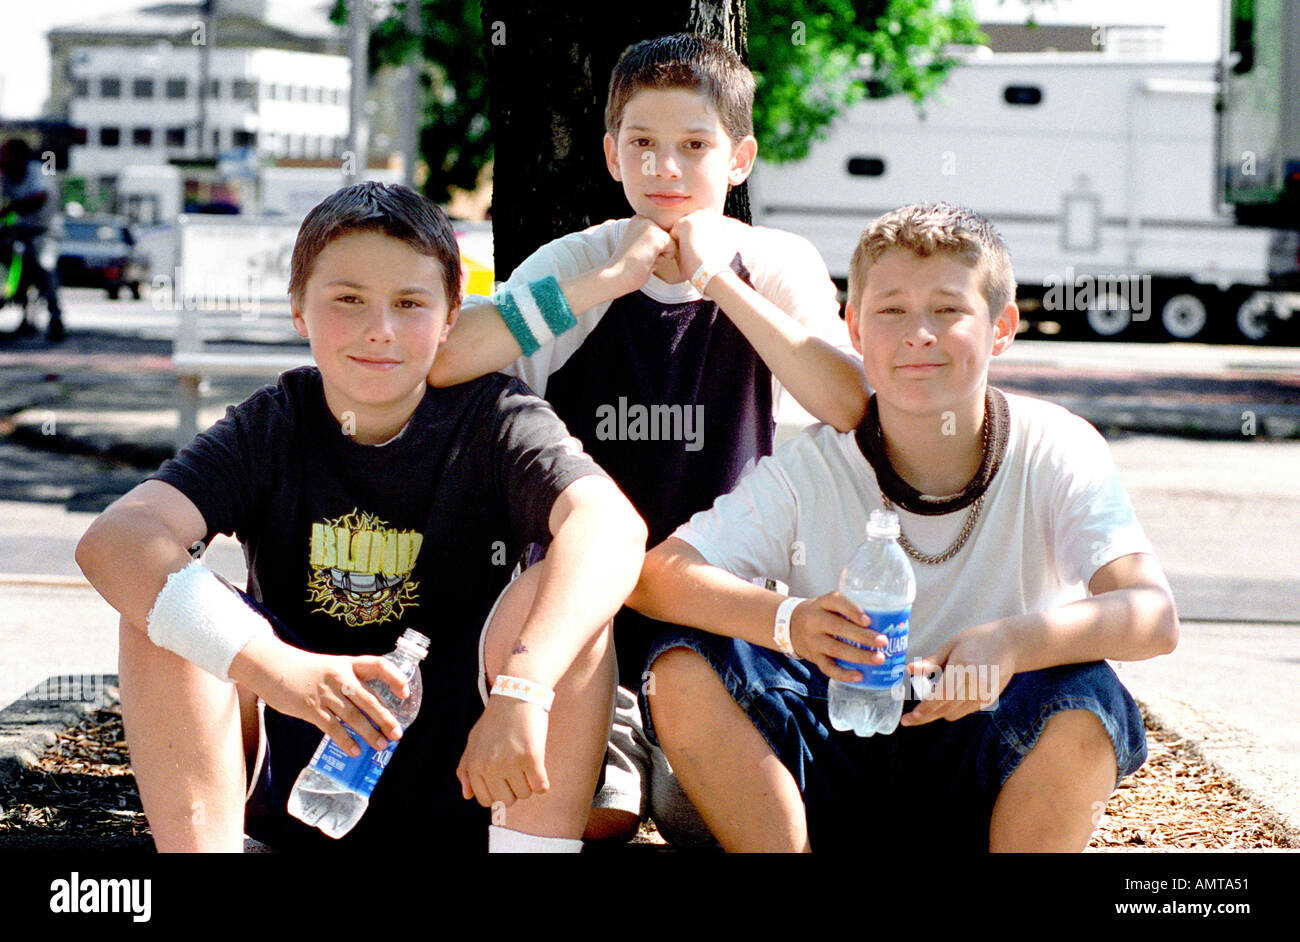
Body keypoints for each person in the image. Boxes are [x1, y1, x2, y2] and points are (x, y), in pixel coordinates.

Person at [75, 182, 647, 853]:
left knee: (572, 597)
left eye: (409, 303)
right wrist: (283, 673)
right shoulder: (274, 423)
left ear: (451, 316)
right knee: (160, 606)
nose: (381, 329)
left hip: (475, 775)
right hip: (302, 779)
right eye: (348, 300)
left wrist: (525, 687)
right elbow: (116, 540)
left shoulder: (496, 418)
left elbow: (611, 528)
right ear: (299, 310)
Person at [626, 202, 1180, 852]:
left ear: (1001, 327)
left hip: (991, 760)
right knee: (687, 659)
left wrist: (1010, 644)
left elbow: (1153, 615)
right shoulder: (816, 463)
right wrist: (792, 622)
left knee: (1086, 693)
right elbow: (658, 577)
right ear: (855, 330)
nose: (918, 334)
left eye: (948, 310)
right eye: (891, 311)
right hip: (835, 746)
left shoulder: (1056, 447)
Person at [427, 33, 871, 842]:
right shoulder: (579, 261)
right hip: (578, 599)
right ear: (610, 154)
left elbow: (847, 402)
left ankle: (661, 743)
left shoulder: (775, 263)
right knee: (599, 817)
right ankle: (612, 738)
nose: (666, 169)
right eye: (643, 146)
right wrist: (605, 284)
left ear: (739, 159)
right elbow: (449, 358)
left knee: (694, 818)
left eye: (693, 146)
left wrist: (713, 282)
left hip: (717, 598)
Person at [0, 138, 65, 343]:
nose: (2, 158)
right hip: (20, 230)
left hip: (45, 231)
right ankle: (19, 308)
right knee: (11, 261)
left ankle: (56, 318)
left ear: (19, 157)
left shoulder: (39, 172)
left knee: (45, 265)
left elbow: (39, 198)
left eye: (6, 154)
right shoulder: (6, 176)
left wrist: (11, 208)